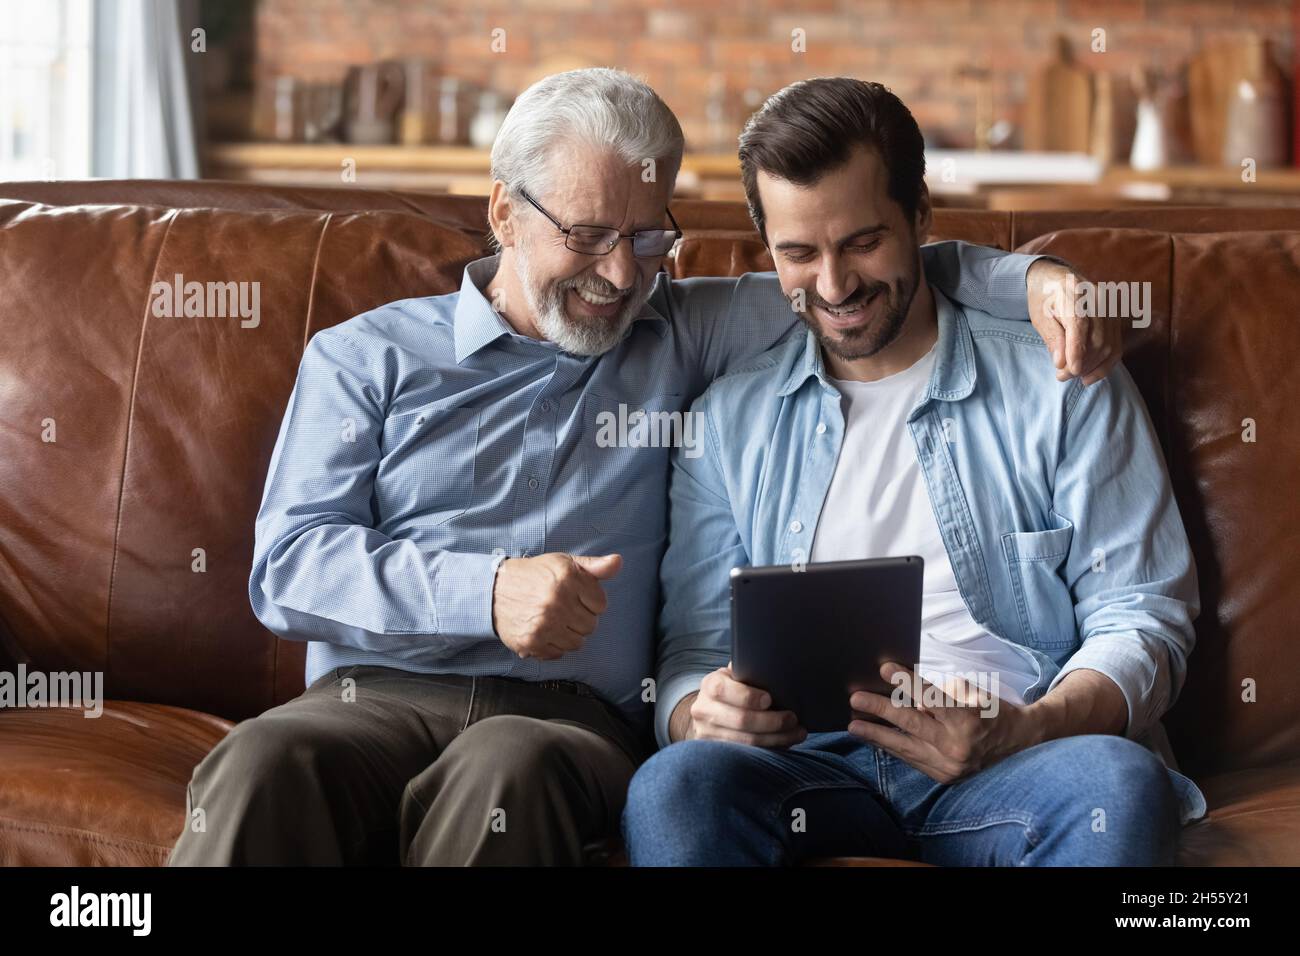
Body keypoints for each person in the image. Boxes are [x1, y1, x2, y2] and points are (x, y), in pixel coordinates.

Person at [167, 69, 1114, 866]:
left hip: (565, 724)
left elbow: (852, 269)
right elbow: (287, 565)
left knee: (506, 766)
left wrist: (1030, 276)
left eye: (649, 238)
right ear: (504, 211)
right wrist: (483, 593)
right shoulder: (364, 357)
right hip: (368, 696)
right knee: (262, 763)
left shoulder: (679, 328)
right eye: (587, 236)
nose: (621, 276)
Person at [622, 77, 1205, 867]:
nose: (835, 287)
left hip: (1018, 756)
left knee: (1118, 783)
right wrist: (696, 712)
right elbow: (691, 642)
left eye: (863, 242)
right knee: (675, 786)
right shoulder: (727, 420)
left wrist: (1029, 726)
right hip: (808, 765)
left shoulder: (1063, 377)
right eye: (799, 254)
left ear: (921, 217)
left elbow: (1143, 616)